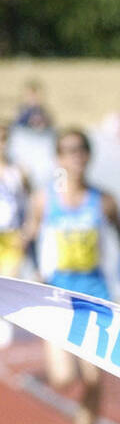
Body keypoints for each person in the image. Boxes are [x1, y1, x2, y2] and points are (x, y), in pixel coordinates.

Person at [24, 129, 120, 424]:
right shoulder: (44, 199)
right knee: (62, 378)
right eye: (68, 151)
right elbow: (30, 235)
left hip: (94, 294)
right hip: (57, 294)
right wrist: (34, 270)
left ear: (89, 156)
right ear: (58, 158)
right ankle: (49, 374)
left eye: (81, 150)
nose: (75, 157)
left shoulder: (103, 200)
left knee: (94, 377)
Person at [0, 121, 30, 348]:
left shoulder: (18, 172)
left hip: (10, 237)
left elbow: (28, 205)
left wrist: (26, 231)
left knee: (6, 285)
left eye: (3, 138)